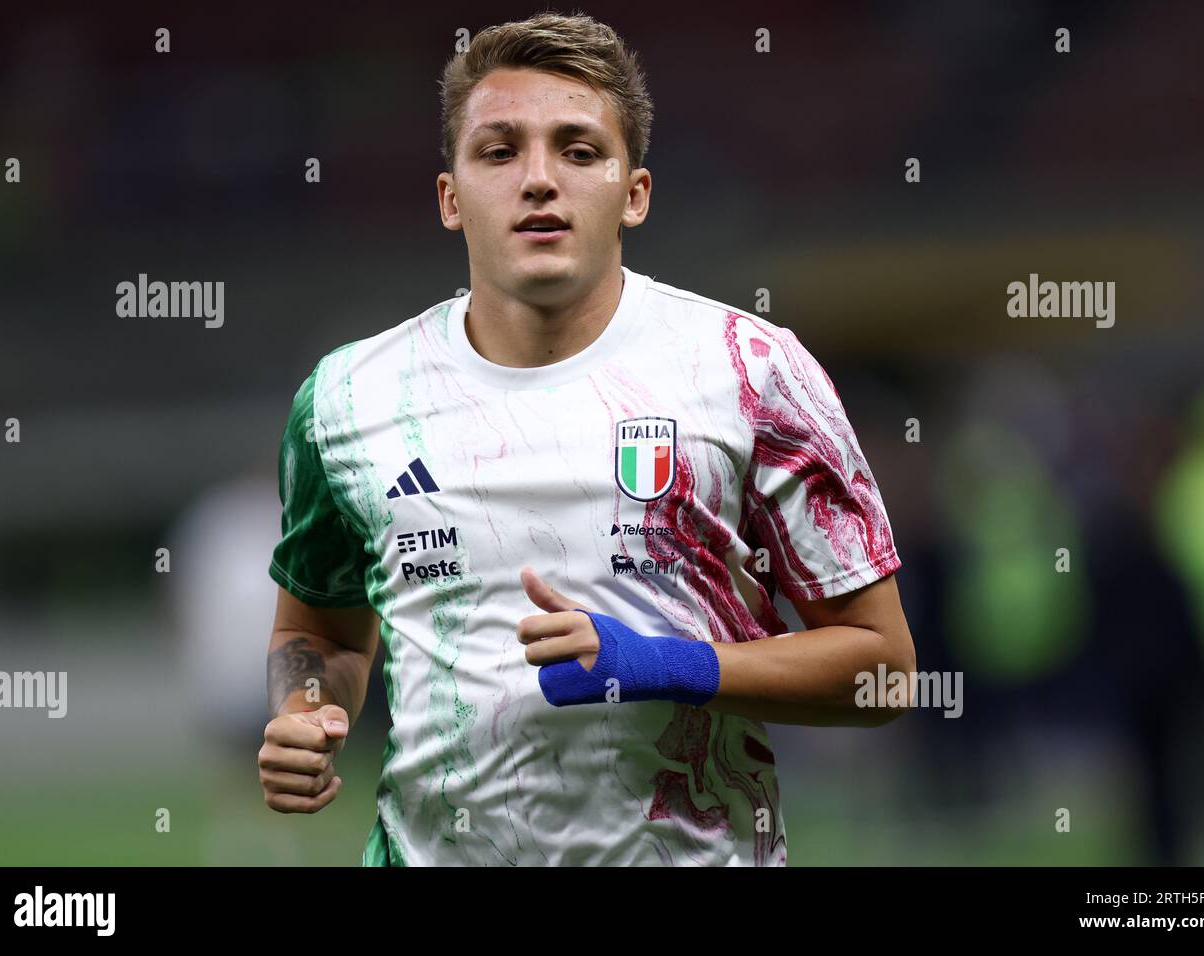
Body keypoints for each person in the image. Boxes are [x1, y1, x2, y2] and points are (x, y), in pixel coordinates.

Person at [258, 11, 913, 866]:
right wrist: (305, 712)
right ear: (450, 197)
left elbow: (884, 668)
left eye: (577, 149)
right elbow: (325, 634)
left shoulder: (751, 371)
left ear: (632, 192)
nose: (538, 180)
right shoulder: (348, 399)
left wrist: (668, 665)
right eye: (499, 151)